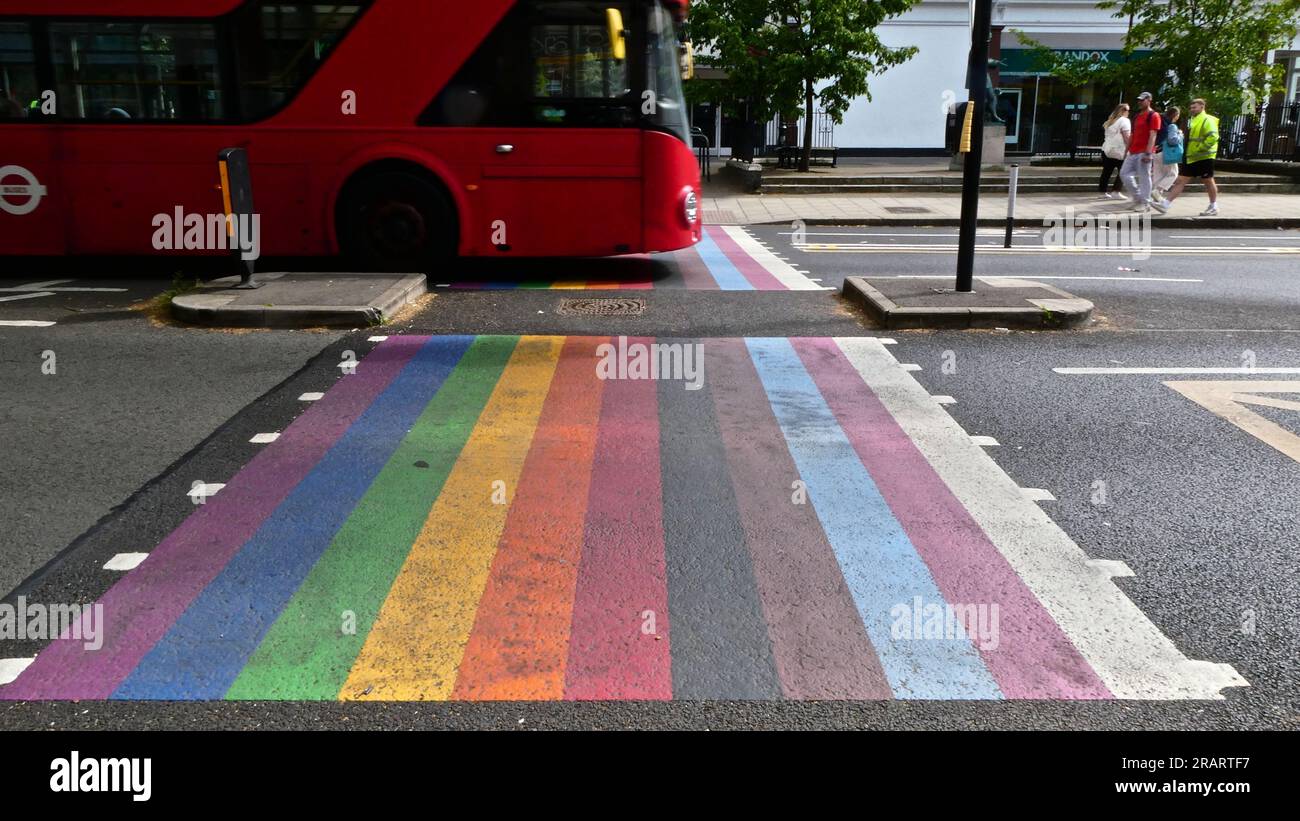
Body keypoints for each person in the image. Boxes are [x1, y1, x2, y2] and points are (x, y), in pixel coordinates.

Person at [1156, 98, 1220, 216]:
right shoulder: (1193, 120)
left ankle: (1213, 206)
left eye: (1194, 107)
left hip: (1204, 157)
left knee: (1208, 181)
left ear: (1202, 107)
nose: (1192, 109)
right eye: (1191, 108)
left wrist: (1200, 148)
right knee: (1180, 180)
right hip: (1192, 157)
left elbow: (1213, 137)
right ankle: (1165, 204)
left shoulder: (1207, 119)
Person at [1120, 91, 1164, 213]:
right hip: (1133, 151)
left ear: (1149, 100)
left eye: (1142, 100)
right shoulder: (1137, 116)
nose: (1139, 102)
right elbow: (1133, 135)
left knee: (1144, 177)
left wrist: (1149, 153)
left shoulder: (1154, 115)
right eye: (1139, 100)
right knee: (1124, 174)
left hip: (1144, 151)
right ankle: (1138, 198)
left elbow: (1153, 135)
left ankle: (1145, 203)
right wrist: (1126, 150)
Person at [1150, 105, 1182, 201]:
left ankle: (1155, 196)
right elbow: (1172, 140)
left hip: (1156, 151)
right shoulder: (1172, 126)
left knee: (1158, 174)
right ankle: (1158, 191)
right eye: (1178, 115)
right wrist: (1180, 135)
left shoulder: (1160, 121)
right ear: (1175, 115)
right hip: (1166, 153)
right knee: (1173, 173)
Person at [1099, 103, 1131, 199]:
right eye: (1127, 110)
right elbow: (1126, 137)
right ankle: (1116, 191)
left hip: (1107, 150)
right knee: (1124, 171)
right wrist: (1130, 147)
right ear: (1123, 111)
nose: (1128, 112)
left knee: (1106, 171)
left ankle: (1102, 191)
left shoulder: (1109, 121)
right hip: (1120, 150)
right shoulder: (1124, 121)